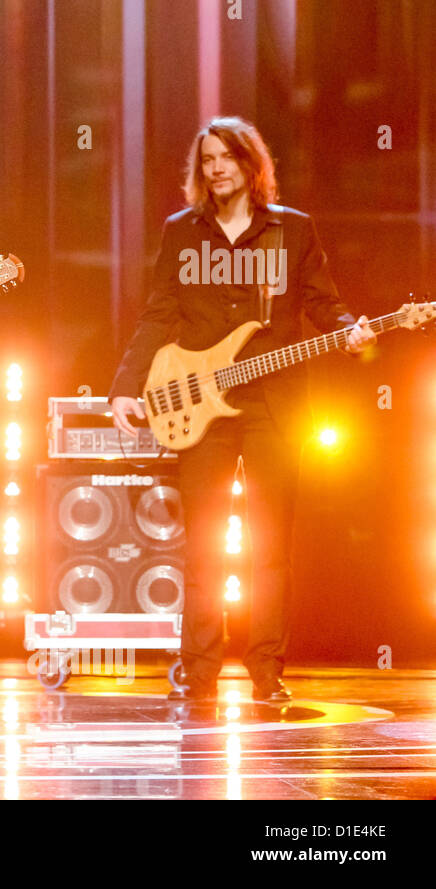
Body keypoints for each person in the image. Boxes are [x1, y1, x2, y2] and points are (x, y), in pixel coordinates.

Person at [109, 117, 375, 704]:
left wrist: (351, 329)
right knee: (201, 544)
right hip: (201, 408)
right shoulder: (182, 232)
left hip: (273, 404)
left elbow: (322, 304)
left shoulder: (293, 232)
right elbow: (158, 313)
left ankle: (266, 672)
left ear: (251, 166)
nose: (217, 168)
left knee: (269, 547)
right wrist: (126, 385)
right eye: (207, 160)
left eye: (227, 157)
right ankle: (199, 675)